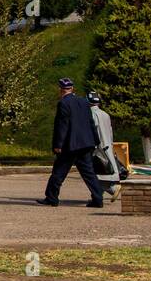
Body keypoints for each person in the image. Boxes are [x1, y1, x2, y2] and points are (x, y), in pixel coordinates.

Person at [38, 78, 104, 208]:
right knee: (89, 173)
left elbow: (62, 125)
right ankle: (98, 198)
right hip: (86, 143)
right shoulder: (84, 102)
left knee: (58, 172)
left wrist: (57, 145)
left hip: (70, 145)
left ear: (60, 90)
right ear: (72, 88)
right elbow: (90, 123)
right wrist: (95, 140)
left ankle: (51, 198)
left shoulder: (63, 103)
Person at [87, 92, 124, 202]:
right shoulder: (105, 114)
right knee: (103, 171)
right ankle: (98, 195)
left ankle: (108, 190)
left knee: (96, 172)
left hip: (98, 147)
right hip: (108, 144)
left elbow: (93, 132)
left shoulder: (91, 115)